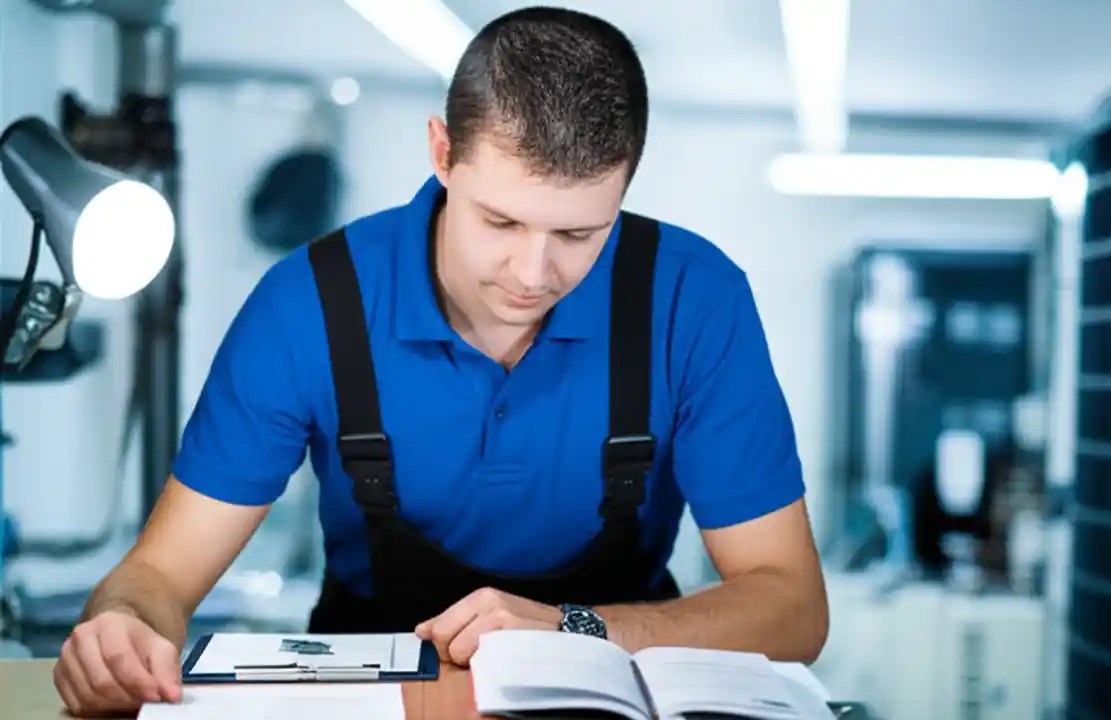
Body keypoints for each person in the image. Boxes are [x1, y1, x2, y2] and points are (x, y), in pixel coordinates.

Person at [52, 6, 828, 716]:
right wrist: (120, 629)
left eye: (578, 234)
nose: (533, 274)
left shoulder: (694, 299)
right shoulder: (309, 304)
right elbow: (158, 577)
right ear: (442, 152)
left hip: (610, 695)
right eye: (501, 221)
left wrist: (576, 630)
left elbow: (793, 607)